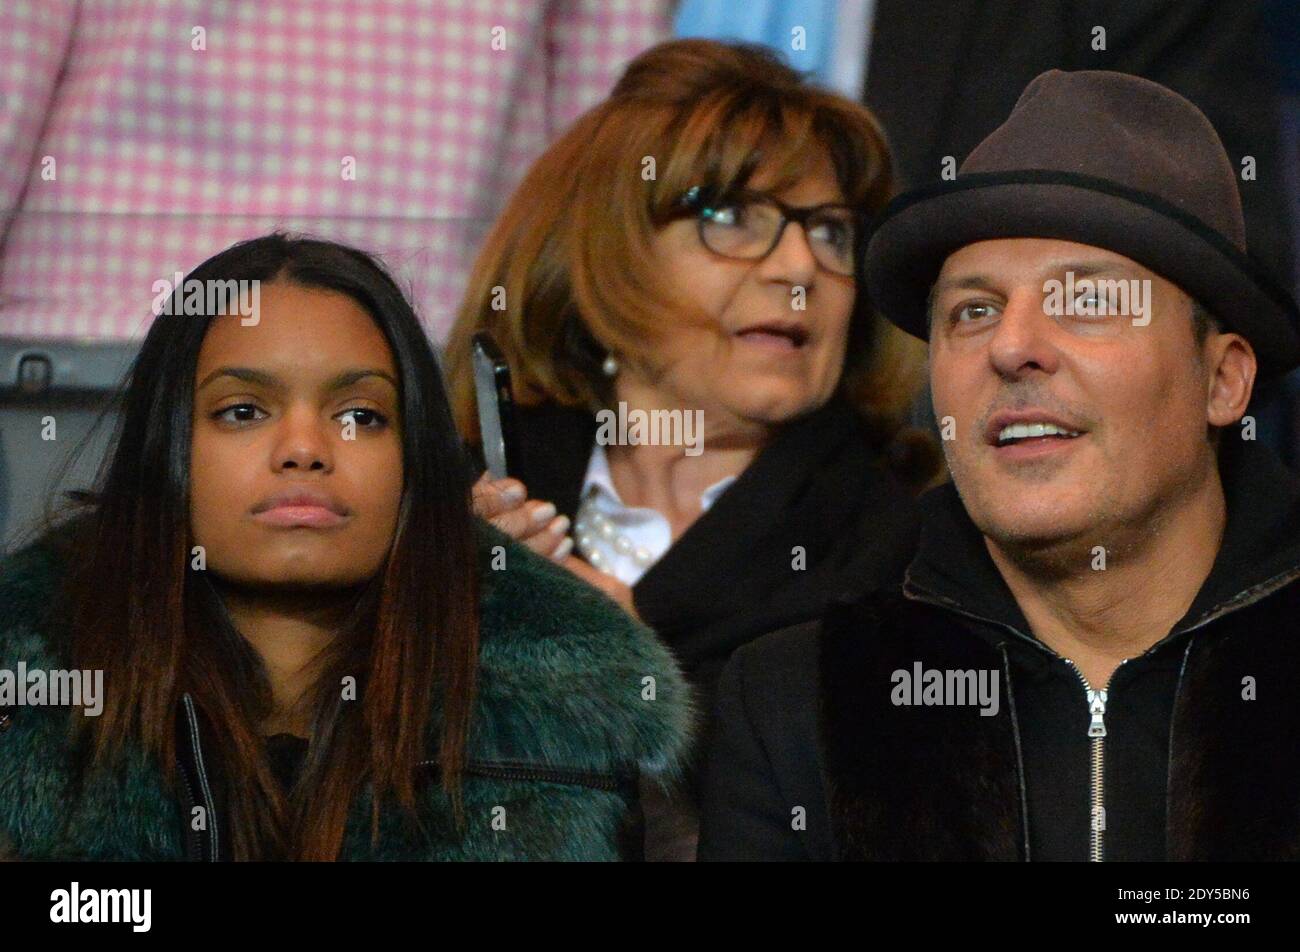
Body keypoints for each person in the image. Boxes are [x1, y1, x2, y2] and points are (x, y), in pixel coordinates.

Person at [699, 70, 1300, 861]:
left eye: (1084, 303)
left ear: (1222, 380)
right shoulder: (799, 705)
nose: (1011, 347)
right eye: (972, 311)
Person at [0, 234, 689, 861]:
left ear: (416, 460)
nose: (304, 449)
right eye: (243, 411)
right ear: (165, 447)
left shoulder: (582, 725)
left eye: (360, 416)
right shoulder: (23, 705)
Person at [444, 39, 940, 859]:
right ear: (604, 245)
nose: (798, 267)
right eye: (733, 215)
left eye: (831, 232)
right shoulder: (457, 488)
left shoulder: (900, 547)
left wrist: (630, 672)